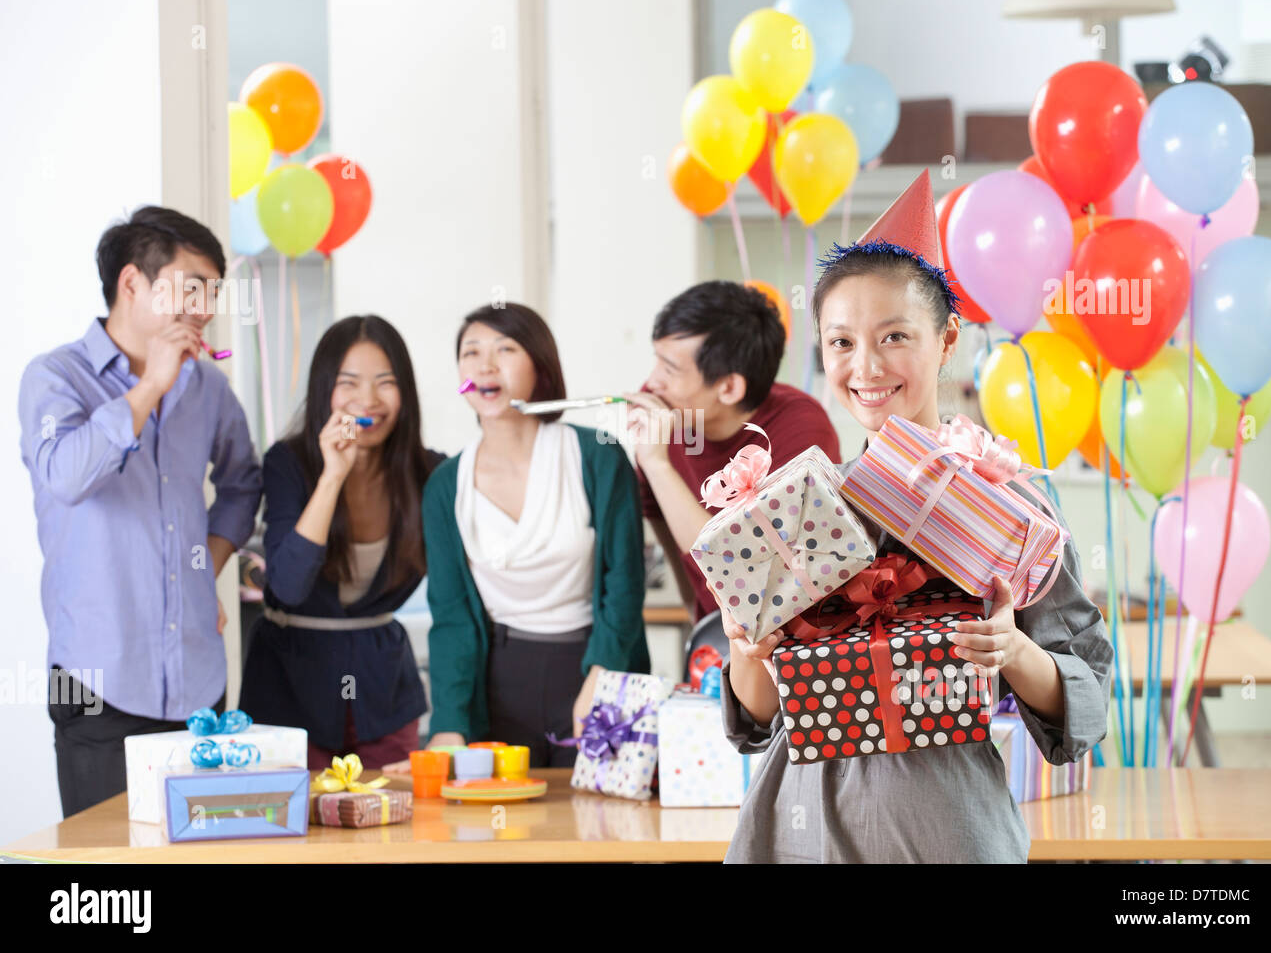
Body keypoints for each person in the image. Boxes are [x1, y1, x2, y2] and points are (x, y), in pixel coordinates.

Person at [717, 170, 1114, 863]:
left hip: (950, 827)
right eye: (840, 342)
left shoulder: (1010, 505)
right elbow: (756, 721)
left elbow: (1086, 703)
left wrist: (1012, 650)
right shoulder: (800, 508)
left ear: (948, 339)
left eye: (894, 336)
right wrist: (750, 651)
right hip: (801, 826)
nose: (865, 366)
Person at [18, 206, 261, 816]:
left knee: (206, 852)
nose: (206, 307)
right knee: (111, 882)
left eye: (214, 291)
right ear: (133, 284)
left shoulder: (209, 389)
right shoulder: (55, 377)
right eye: (193, 287)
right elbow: (66, 476)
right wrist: (149, 385)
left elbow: (243, 485)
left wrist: (211, 562)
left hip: (200, 684)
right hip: (98, 686)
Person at [419, 303, 649, 767]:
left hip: (594, 665)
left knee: (604, 829)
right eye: (471, 352)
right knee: (501, 832)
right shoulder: (446, 484)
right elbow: (451, 617)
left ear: (539, 366)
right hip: (498, 681)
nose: (485, 365)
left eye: (505, 349)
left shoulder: (598, 456)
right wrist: (449, 721)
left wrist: (600, 681)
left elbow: (624, 582)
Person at [241, 315, 443, 770]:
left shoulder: (431, 473)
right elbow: (287, 586)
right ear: (324, 391)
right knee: (296, 832)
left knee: (393, 827)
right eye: (349, 383)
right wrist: (334, 475)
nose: (368, 399)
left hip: (383, 693)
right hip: (288, 691)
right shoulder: (288, 463)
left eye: (385, 383)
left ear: (405, 393)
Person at [625, 281, 841, 624]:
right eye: (657, 362)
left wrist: (657, 464)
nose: (651, 383)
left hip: (785, 630)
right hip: (717, 628)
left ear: (728, 387)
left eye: (669, 369)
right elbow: (666, 531)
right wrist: (700, 622)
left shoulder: (802, 431)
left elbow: (744, 568)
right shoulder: (667, 411)